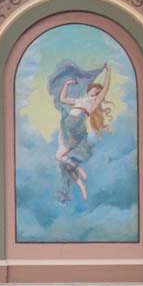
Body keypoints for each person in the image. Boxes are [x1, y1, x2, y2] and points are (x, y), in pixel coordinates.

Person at [53, 63, 111, 203]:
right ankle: (81, 185)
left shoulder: (94, 101)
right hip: (66, 124)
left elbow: (106, 87)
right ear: (89, 89)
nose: (96, 91)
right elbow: (62, 99)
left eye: (98, 91)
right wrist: (66, 84)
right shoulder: (80, 100)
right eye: (94, 89)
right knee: (61, 159)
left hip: (77, 125)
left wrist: (108, 72)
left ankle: (79, 171)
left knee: (60, 156)